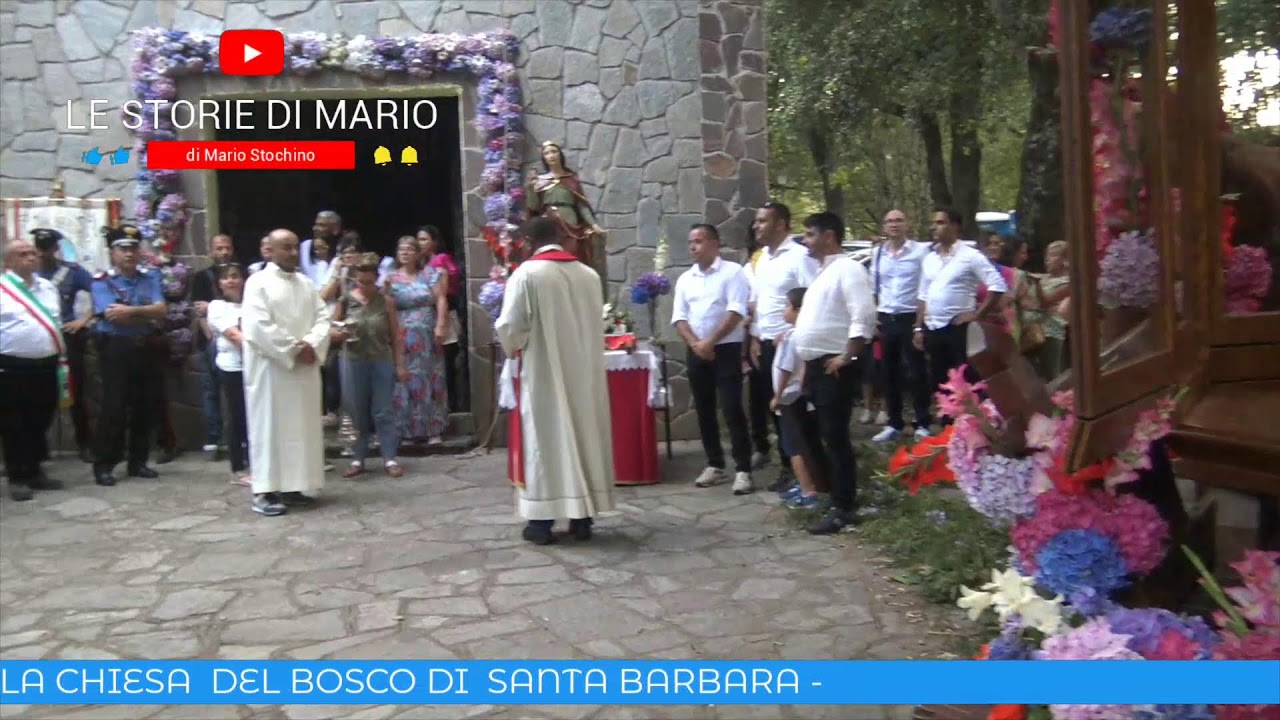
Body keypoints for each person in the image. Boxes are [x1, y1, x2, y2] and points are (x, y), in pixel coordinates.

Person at [495, 217, 615, 546]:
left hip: (545, 371)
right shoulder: (589, 276)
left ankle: (541, 522)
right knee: (581, 433)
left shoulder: (527, 275)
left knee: (545, 441)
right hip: (585, 372)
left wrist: (514, 347)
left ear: (529, 242)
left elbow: (510, 326)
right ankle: (582, 518)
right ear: (562, 238)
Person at [791, 212, 876, 535]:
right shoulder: (823, 273)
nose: (806, 241)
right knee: (819, 432)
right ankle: (832, 493)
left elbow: (863, 314)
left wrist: (848, 355)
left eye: (810, 234)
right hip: (816, 366)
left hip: (834, 365)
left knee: (835, 435)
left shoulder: (849, 269)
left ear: (829, 236)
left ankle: (844, 506)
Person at [241, 229, 332, 517]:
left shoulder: (305, 284)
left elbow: (324, 317)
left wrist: (313, 343)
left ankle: (294, 485)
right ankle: (266, 490)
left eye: (295, 247)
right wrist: (293, 349)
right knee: (270, 428)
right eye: (286, 247)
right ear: (270, 250)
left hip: (302, 370)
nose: (293, 253)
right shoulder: (257, 283)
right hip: (272, 370)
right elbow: (257, 325)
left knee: (300, 427)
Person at [671, 224, 755, 495]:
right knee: (704, 409)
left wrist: (711, 341)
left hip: (726, 350)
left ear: (715, 243)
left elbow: (736, 310)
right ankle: (715, 463)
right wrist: (696, 343)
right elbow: (679, 316)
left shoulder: (732, 272)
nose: (693, 246)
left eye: (699, 241)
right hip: (696, 351)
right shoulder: (686, 278)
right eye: (690, 242)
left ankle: (743, 469)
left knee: (731, 407)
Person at [745, 202, 817, 491]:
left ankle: (809, 474)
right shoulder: (762, 258)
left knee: (795, 410)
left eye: (762, 221)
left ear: (781, 225)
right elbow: (761, 302)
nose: (756, 226)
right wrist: (753, 337)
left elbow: (810, 299)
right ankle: (789, 468)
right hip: (764, 343)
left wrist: (793, 333)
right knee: (774, 410)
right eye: (756, 221)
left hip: (790, 345)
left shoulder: (800, 256)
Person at [88, 225, 168, 487]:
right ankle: (105, 464)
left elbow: (161, 310)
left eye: (133, 248)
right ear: (112, 252)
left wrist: (131, 311)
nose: (129, 253)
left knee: (145, 404)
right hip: (115, 348)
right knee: (115, 406)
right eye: (123, 248)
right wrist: (145, 311)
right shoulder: (102, 280)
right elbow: (111, 314)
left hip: (144, 346)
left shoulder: (150, 277)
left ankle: (138, 461)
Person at [914, 207, 1008, 403]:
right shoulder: (930, 258)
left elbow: (997, 285)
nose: (934, 228)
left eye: (940, 223)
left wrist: (977, 314)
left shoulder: (970, 256)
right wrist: (918, 327)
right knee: (941, 381)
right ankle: (948, 426)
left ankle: (974, 425)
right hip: (933, 327)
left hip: (958, 327)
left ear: (954, 227)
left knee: (966, 379)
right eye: (934, 223)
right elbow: (923, 294)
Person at [0, 240, 68, 501]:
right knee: (14, 423)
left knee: (40, 420)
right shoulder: (3, 289)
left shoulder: (47, 287)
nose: (31, 257)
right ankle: (17, 476)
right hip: (11, 366)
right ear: (8, 262)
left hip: (46, 364)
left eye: (32, 253)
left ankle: (35, 470)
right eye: (23, 254)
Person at [334, 253, 409, 478]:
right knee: (355, 410)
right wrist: (342, 332)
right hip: (353, 360)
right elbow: (331, 328)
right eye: (360, 282)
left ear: (376, 279)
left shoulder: (385, 301)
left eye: (369, 282)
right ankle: (357, 457)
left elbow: (396, 335)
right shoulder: (346, 300)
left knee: (383, 410)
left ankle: (389, 457)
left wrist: (400, 364)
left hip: (380, 358)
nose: (364, 286)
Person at [868, 210, 934, 443]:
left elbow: (926, 288)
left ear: (908, 224)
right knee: (888, 373)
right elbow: (874, 289)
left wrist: (919, 325)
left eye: (899, 220)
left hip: (910, 318)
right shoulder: (877, 254)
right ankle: (894, 423)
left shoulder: (921, 252)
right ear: (884, 226)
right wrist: (874, 318)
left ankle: (923, 422)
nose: (894, 225)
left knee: (917, 373)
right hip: (887, 319)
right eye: (889, 221)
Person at [32, 227, 95, 463]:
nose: (42, 254)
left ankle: (85, 444)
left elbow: (100, 292)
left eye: (47, 249)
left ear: (55, 249)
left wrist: (83, 320)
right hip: (36, 341)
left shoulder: (72, 273)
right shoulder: (27, 275)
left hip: (67, 339)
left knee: (76, 394)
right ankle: (36, 451)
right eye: (39, 249)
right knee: (36, 396)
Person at [388, 237, 450, 445]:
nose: (405, 253)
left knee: (430, 377)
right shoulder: (391, 279)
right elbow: (385, 306)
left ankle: (434, 429)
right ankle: (407, 430)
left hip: (426, 335)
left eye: (409, 249)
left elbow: (441, 299)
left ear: (417, 253)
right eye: (401, 249)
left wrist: (441, 325)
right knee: (406, 380)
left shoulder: (429, 275)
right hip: (402, 336)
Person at [770, 287, 823, 510]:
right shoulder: (806, 333)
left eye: (786, 306)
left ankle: (807, 490)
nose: (783, 310)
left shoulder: (791, 338)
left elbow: (784, 368)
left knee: (794, 446)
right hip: (804, 397)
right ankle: (813, 485)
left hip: (790, 398)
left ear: (798, 309)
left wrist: (778, 396)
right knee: (805, 441)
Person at [189, 233, 236, 459]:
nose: (224, 252)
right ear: (211, 251)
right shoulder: (201, 277)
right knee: (211, 391)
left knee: (235, 391)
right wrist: (211, 337)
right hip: (210, 340)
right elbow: (199, 310)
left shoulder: (237, 276)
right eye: (219, 248)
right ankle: (214, 437)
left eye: (227, 248)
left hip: (233, 339)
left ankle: (237, 437)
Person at [526, 140, 606, 269]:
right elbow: (534, 207)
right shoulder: (540, 181)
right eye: (546, 153)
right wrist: (530, 188)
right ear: (544, 158)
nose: (551, 155)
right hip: (549, 224)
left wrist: (594, 225)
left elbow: (581, 205)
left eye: (554, 151)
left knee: (572, 254)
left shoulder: (571, 179)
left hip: (570, 223)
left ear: (560, 155)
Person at [206, 263, 252, 486]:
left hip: (254, 367)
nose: (231, 281)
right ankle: (238, 468)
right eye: (226, 278)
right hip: (232, 366)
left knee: (254, 417)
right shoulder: (217, 307)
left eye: (235, 276)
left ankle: (256, 464)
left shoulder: (252, 305)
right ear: (220, 284)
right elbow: (234, 334)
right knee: (236, 417)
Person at [417, 224, 463, 412]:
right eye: (418, 239)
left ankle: (450, 404)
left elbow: (449, 284)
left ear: (434, 241)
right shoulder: (421, 264)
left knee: (446, 361)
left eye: (424, 239)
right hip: (426, 317)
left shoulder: (441, 260)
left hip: (444, 315)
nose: (420, 243)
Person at [1032, 240, 1072, 379]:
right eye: (1046, 256)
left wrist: (1035, 286)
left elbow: (1046, 301)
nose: (1048, 260)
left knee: (1053, 374)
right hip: (1035, 330)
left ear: (1065, 259)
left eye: (1053, 255)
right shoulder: (1043, 279)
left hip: (1053, 331)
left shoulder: (1068, 282)